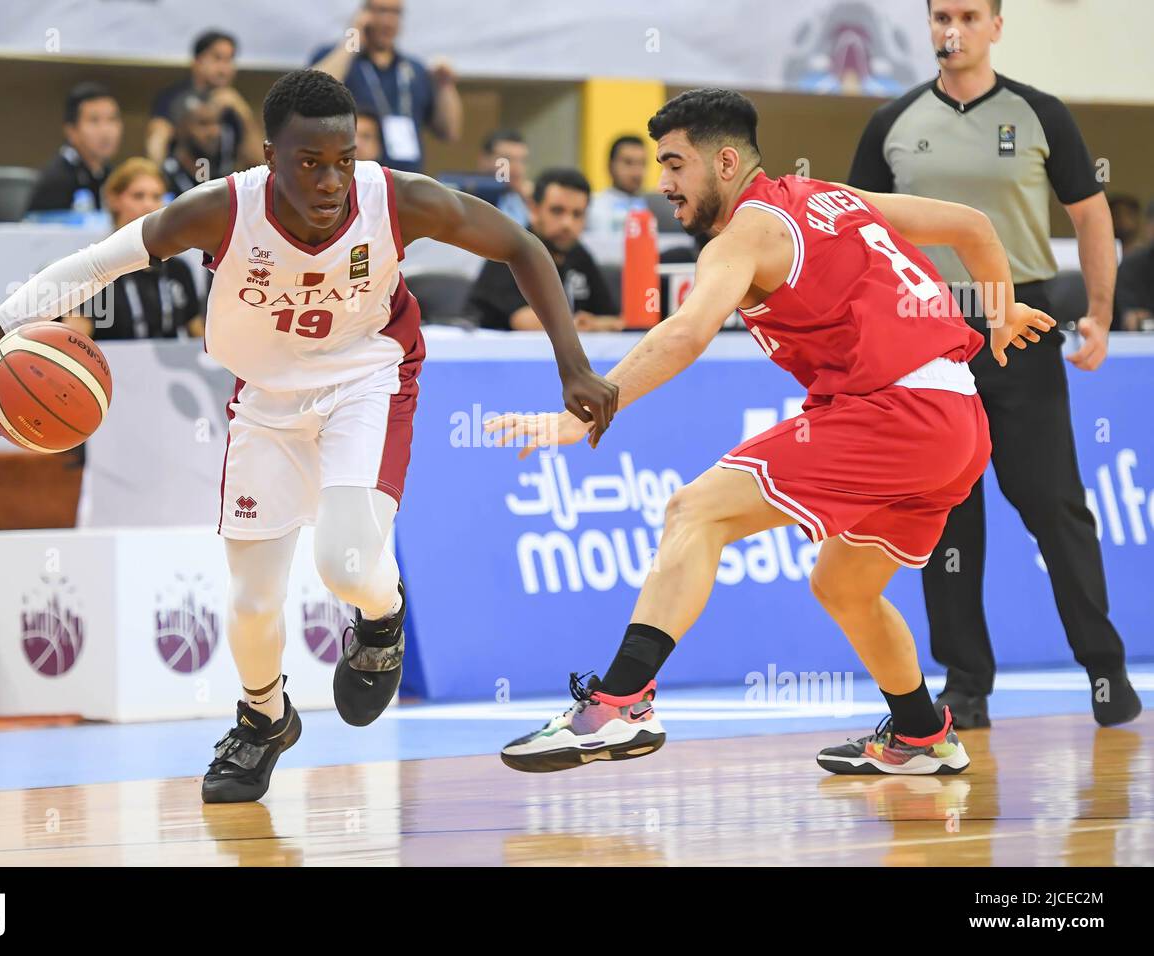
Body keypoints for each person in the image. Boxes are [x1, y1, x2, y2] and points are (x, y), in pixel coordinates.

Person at [0, 70, 617, 804]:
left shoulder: (396, 198)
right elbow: (96, 264)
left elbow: (521, 246)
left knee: (344, 563)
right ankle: (263, 719)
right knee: (249, 603)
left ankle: (381, 618)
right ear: (270, 156)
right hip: (266, 401)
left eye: (343, 159)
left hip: (368, 383)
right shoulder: (221, 210)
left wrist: (574, 367)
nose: (331, 178)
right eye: (309, 162)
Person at [486, 88, 1054, 776]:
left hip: (896, 412)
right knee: (843, 585)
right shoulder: (831, 195)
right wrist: (998, 310)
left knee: (693, 512)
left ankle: (619, 703)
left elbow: (686, 333)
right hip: (958, 419)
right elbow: (973, 226)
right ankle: (922, 733)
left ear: (725, 162)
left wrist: (586, 414)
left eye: (675, 164)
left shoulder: (745, 235)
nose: (663, 184)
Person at [848, 0, 1141, 729]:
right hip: (923, 331)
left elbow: (1091, 214)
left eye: (971, 15)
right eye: (943, 14)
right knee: (945, 511)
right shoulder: (891, 123)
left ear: (997, 26)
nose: (956, 27)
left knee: (1051, 501)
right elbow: (853, 229)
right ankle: (965, 685)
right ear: (928, 24)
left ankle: (1105, 670)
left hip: (1020, 321)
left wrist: (1098, 313)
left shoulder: (1041, 114)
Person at [310, 0, 462, 173]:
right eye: (381, 11)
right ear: (363, 14)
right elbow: (313, 94)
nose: (389, 21)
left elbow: (449, 133)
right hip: (349, 178)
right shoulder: (339, 57)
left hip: (405, 183)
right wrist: (352, 39)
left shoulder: (414, 69)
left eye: (396, 13)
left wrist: (444, 86)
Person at [64, 158, 204, 341]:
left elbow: (199, 338)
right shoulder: (94, 270)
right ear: (113, 200)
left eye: (156, 197)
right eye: (138, 196)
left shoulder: (178, 270)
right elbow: (71, 344)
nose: (149, 205)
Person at [468, 168, 622, 331]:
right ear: (534, 210)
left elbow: (614, 319)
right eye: (557, 211)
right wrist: (583, 325)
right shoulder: (510, 250)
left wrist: (595, 323)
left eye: (577, 214)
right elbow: (524, 321)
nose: (567, 224)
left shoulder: (579, 255)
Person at [146, 30, 264, 174]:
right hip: (182, 187)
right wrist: (161, 181)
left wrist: (243, 113)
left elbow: (260, 161)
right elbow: (156, 142)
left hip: (222, 187)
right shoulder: (174, 98)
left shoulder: (234, 104)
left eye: (229, 59)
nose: (224, 68)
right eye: (217, 58)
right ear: (197, 62)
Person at [27, 82, 121, 213]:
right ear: (71, 131)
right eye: (94, 120)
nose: (106, 131)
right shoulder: (56, 182)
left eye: (112, 119)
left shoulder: (112, 175)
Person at [585, 135, 649, 238]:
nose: (636, 172)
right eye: (628, 162)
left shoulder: (656, 209)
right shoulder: (591, 207)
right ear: (610, 166)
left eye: (642, 163)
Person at [161, 92, 224, 197]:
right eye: (204, 123)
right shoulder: (165, 179)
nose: (214, 132)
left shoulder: (223, 176)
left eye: (216, 123)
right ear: (180, 128)